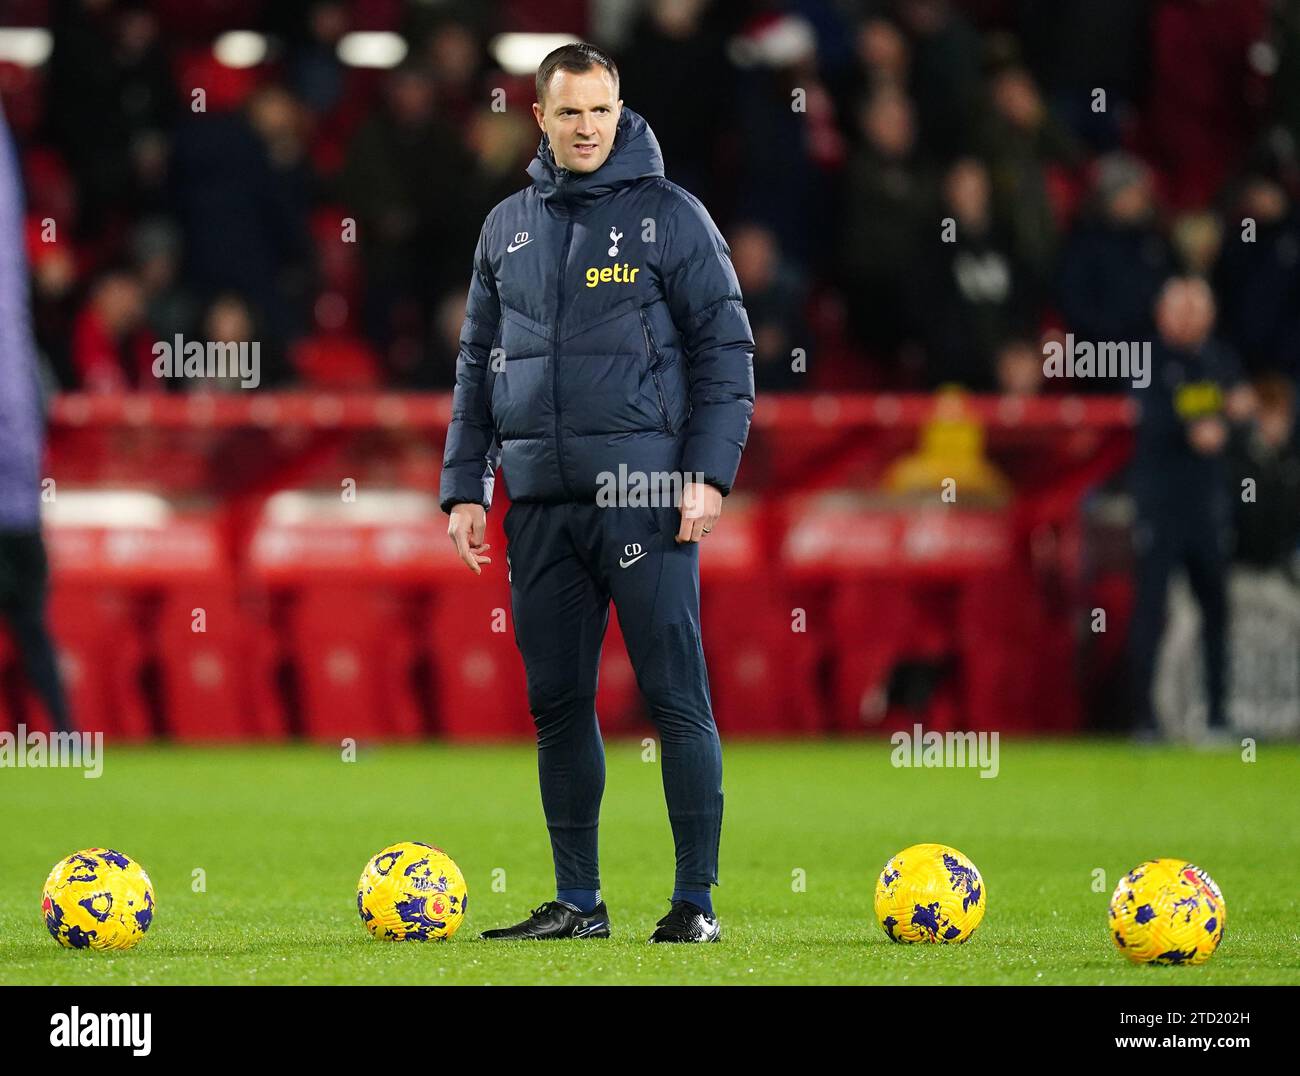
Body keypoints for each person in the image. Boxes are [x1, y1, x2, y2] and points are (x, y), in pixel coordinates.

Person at [439, 43, 754, 943]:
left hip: (644, 493)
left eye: (601, 110)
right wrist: (467, 485)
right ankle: (579, 902)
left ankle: (694, 904)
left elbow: (725, 351)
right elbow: (475, 364)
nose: (587, 128)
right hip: (539, 502)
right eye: (570, 112)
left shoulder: (673, 217)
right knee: (557, 706)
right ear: (538, 116)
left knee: (675, 697)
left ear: (622, 111)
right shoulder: (506, 228)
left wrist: (708, 470)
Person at [1128, 277, 1242, 741]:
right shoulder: (1148, 361)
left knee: (1217, 610)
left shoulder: (1221, 359)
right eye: (1181, 308)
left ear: (1211, 314)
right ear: (1162, 314)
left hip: (1207, 506)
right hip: (1160, 506)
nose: (1190, 317)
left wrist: (1220, 419)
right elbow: (1153, 416)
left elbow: (1244, 409)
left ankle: (1217, 716)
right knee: (1150, 612)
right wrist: (1198, 421)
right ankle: (1144, 720)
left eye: (1198, 307)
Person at [0, 99, 73, 734]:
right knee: (31, 627)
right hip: (22, 502)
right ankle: (65, 732)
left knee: (31, 625)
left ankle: (62, 730)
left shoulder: (24, 350)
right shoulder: (24, 352)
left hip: (20, 505)